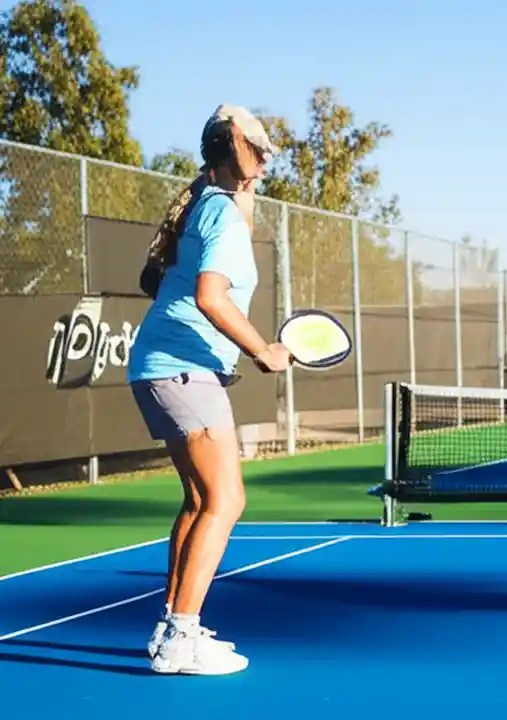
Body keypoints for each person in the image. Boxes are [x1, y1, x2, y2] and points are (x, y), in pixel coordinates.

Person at [129, 104, 292, 675]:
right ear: (234, 149)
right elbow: (210, 297)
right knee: (226, 500)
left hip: (161, 367)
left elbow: (240, 200)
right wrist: (264, 351)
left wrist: (244, 172)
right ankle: (181, 637)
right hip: (182, 369)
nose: (267, 159)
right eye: (258, 148)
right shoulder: (219, 211)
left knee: (200, 500)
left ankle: (173, 625)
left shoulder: (211, 203)